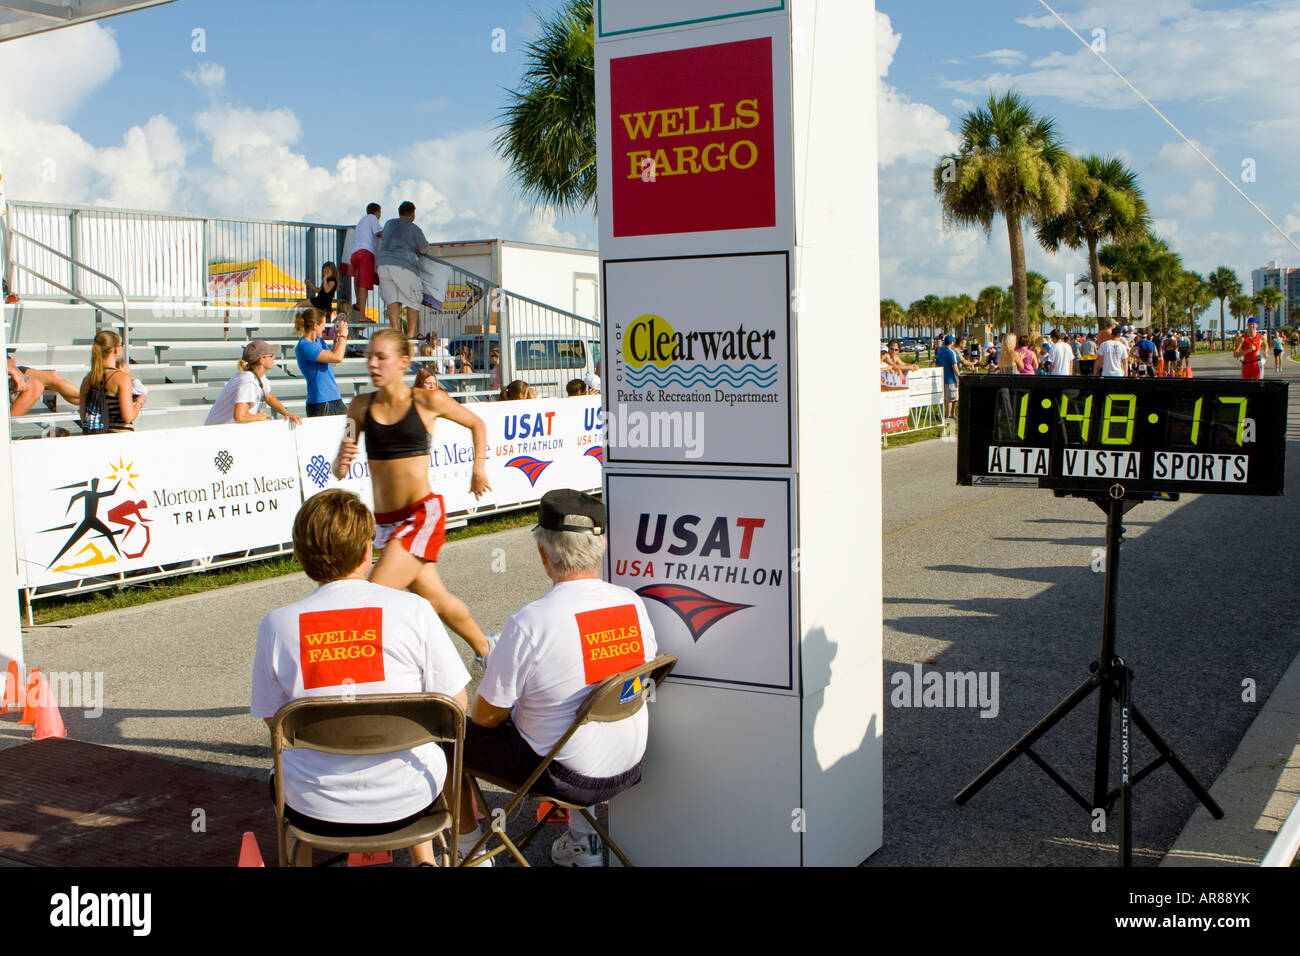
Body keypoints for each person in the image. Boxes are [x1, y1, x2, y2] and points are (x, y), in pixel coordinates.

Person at [250, 489, 469, 867]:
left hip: (315, 805)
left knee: (286, 773)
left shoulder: (277, 624)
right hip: (411, 795)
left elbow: (275, 723)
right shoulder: (413, 610)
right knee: (420, 750)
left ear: (301, 555)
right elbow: (455, 707)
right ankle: (426, 861)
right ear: (369, 552)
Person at [456, 490, 657, 868]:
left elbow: (485, 718)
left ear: (543, 554)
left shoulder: (532, 622)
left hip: (565, 776)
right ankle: (585, 842)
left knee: (455, 739)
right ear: (602, 546)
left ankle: (473, 854)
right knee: (579, 717)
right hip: (629, 763)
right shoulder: (631, 603)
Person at [332, 329, 492, 659]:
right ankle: (488, 648)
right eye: (369, 357)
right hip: (387, 523)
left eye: (381, 357)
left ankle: (368, 674)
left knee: (372, 595)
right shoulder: (359, 407)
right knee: (438, 600)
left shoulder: (427, 400)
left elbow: (477, 424)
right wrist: (342, 461)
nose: (372, 364)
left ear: (404, 362)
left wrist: (479, 467)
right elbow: (340, 465)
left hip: (421, 515)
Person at [205, 340, 303, 426]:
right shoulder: (248, 383)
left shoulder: (256, 376)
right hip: (217, 433)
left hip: (221, 430)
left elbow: (268, 397)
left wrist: (287, 413)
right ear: (262, 360)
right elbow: (240, 417)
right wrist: (260, 417)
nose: (274, 357)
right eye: (271, 355)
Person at [376, 201, 433, 333]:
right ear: (412, 213)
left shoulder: (389, 223)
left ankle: (395, 333)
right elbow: (424, 249)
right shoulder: (414, 228)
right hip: (403, 265)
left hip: (383, 264)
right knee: (415, 298)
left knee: (392, 299)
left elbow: (383, 235)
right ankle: (411, 334)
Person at [78, 330, 145, 434]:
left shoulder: (87, 380)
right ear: (116, 349)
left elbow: (84, 417)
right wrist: (140, 401)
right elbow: (128, 417)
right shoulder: (121, 378)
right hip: (119, 438)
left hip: (96, 438)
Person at [294, 308, 349, 417]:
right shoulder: (304, 346)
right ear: (315, 325)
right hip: (321, 402)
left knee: (349, 432)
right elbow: (338, 357)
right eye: (323, 325)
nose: (324, 328)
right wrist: (343, 336)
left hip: (334, 398)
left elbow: (332, 362)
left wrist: (336, 338)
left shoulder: (319, 342)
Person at [7, 355, 81, 415]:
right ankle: (91, 397)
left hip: (13, 369)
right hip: (8, 371)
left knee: (52, 377)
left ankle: (90, 398)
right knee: (39, 384)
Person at [350, 203, 383, 320]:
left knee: (358, 281)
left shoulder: (361, 222)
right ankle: (361, 315)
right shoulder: (373, 218)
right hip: (366, 252)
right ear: (377, 212)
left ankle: (359, 305)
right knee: (364, 283)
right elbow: (380, 233)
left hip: (355, 253)